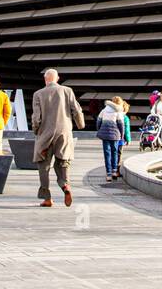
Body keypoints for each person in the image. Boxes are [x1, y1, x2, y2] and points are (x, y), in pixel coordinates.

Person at [31, 68, 84, 206]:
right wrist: (80, 124)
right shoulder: (67, 91)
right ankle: (65, 186)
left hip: (45, 135)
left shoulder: (38, 94)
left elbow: (36, 117)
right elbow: (76, 110)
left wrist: (36, 130)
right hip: (64, 133)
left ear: (45, 79)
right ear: (58, 78)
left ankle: (47, 198)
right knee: (63, 162)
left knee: (44, 166)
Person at [96, 98, 126, 183]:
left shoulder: (104, 110)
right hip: (115, 135)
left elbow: (98, 121)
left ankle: (108, 174)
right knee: (115, 152)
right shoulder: (119, 111)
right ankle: (114, 172)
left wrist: (99, 130)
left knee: (107, 153)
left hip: (105, 135)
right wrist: (122, 135)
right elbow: (121, 124)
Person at [114, 97, 132, 175]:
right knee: (119, 154)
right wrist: (128, 139)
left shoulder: (114, 115)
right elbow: (127, 130)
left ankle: (111, 169)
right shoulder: (125, 118)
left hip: (112, 138)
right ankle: (117, 171)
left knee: (113, 153)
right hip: (121, 139)